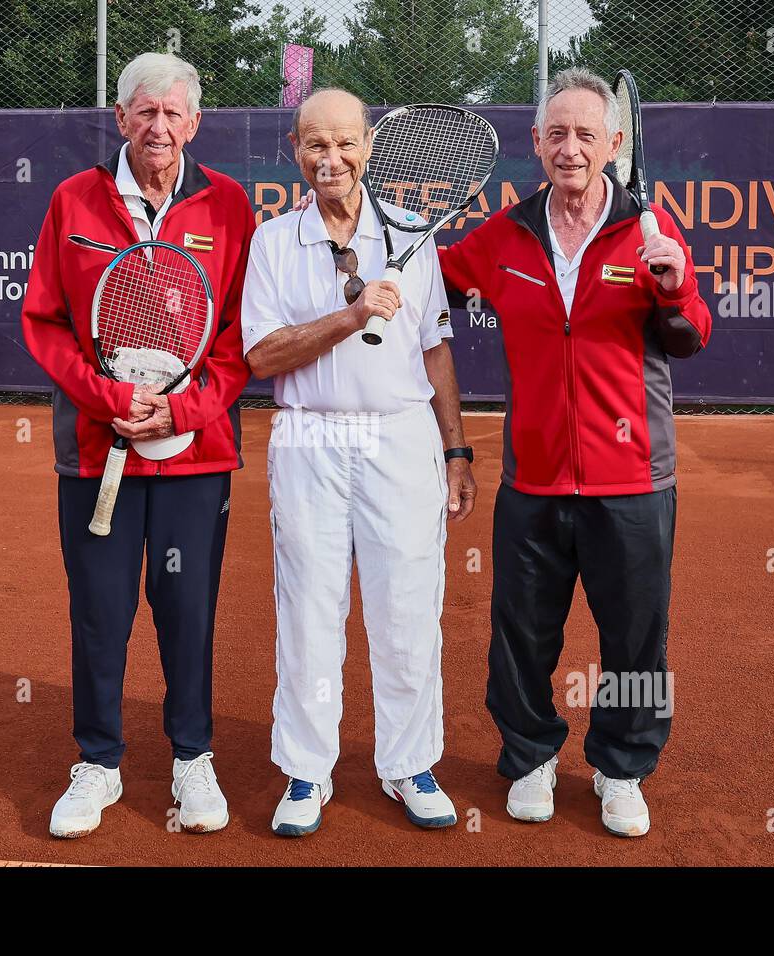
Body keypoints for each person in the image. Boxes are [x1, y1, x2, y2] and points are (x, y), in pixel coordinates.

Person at [437, 67, 712, 837]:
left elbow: (689, 338)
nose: (570, 148)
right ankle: (529, 756)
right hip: (535, 478)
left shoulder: (651, 233)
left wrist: (674, 289)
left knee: (633, 638)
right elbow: (434, 284)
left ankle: (622, 768)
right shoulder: (505, 235)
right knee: (521, 630)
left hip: (632, 480)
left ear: (613, 144)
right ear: (536, 142)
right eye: (556, 134)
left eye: (586, 134)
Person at [21, 52, 255, 837]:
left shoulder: (229, 209)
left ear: (195, 121)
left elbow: (238, 338)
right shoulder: (73, 202)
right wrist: (114, 399)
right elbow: (46, 323)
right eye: (144, 112)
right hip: (95, 451)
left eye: (173, 114)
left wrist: (182, 410)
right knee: (101, 608)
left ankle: (193, 759)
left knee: (187, 607)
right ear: (120, 118)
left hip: (196, 454)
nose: (159, 127)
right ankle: (98, 763)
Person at [241, 88, 477, 837]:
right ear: (295, 149)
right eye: (315, 144)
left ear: (369, 147)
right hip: (308, 437)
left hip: (401, 439)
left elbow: (435, 348)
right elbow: (261, 354)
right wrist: (351, 315)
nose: (330, 159)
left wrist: (456, 450)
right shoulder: (273, 241)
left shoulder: (414, 236)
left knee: (407, 608)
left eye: (344, 144)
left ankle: (409, 764)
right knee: (309, 611)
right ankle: (307, 771)